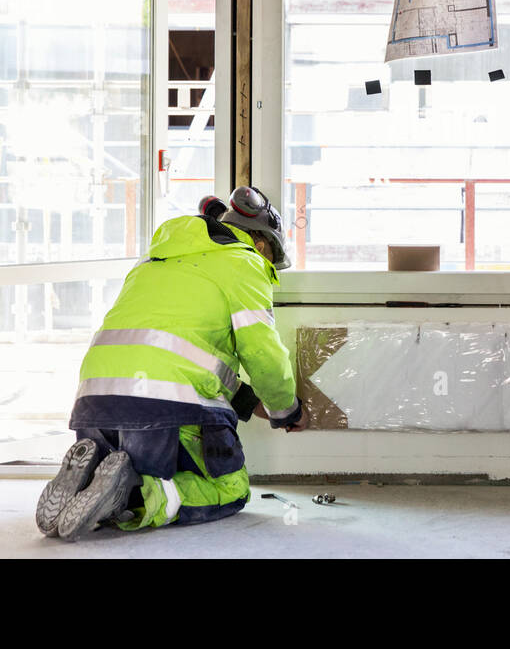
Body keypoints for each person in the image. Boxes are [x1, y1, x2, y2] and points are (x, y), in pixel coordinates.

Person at [35, 186, 308, 542]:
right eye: (270, 256)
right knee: (232, 487)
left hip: (94, 400)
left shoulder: (155, 260)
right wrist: (286, 409)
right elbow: (263, 352)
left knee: (114, 466)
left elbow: (183, 355)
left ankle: (87, 481)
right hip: (159, 411)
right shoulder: (245, 262)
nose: (268, 264)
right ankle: (134, 494)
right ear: (261, 244)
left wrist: (250, 403)